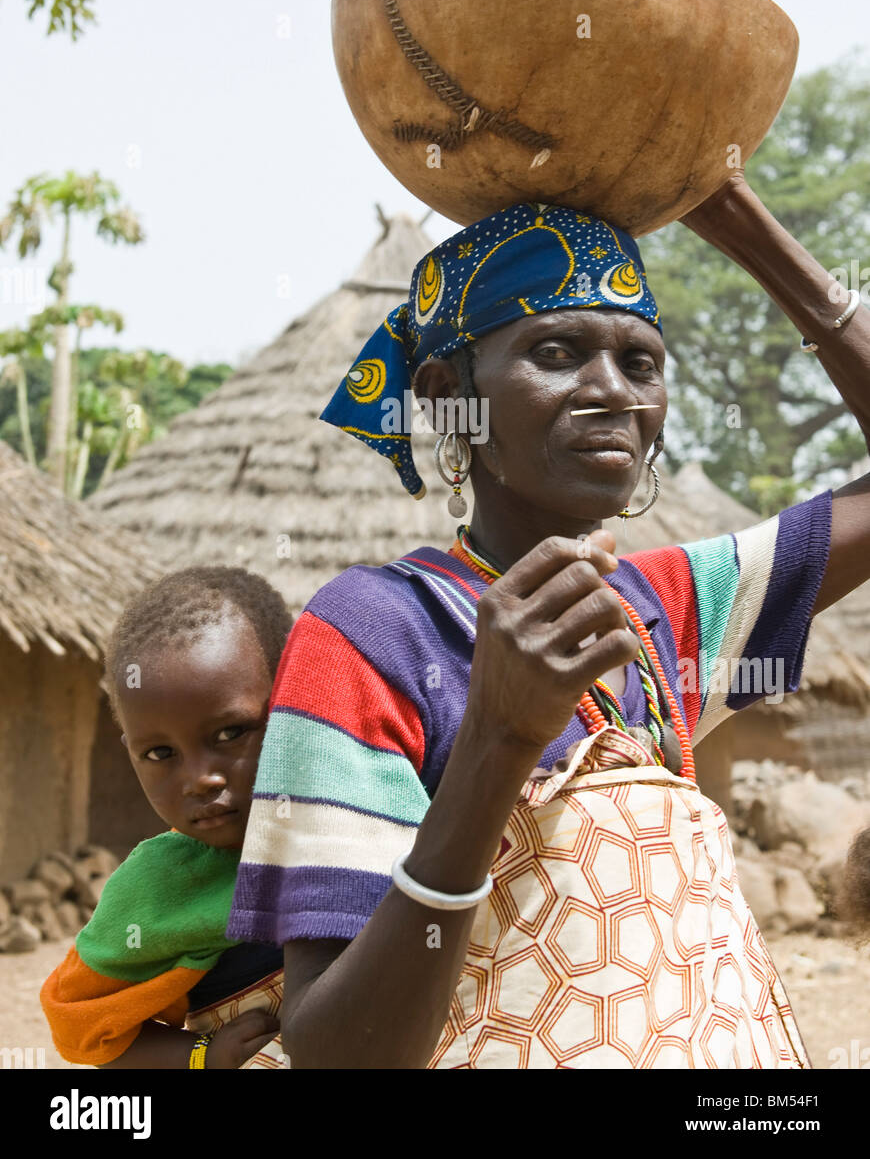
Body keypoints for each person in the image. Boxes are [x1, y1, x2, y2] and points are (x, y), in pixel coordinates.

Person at [228, 178, 870, 1069]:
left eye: (641, 364)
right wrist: (497, 738)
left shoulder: (664, 609)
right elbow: (341, 1055)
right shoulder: (372, 634)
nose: (614, 393)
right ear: (451, 394)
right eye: (559, 351)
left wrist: (744, 229)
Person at [41, 567, 292, 1070]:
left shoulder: (358, 810)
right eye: (159, 753)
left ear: (291, 703)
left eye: (230, 733)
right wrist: (202, 1057)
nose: (199, 779)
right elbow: (79, 1025)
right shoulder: (159, 887)